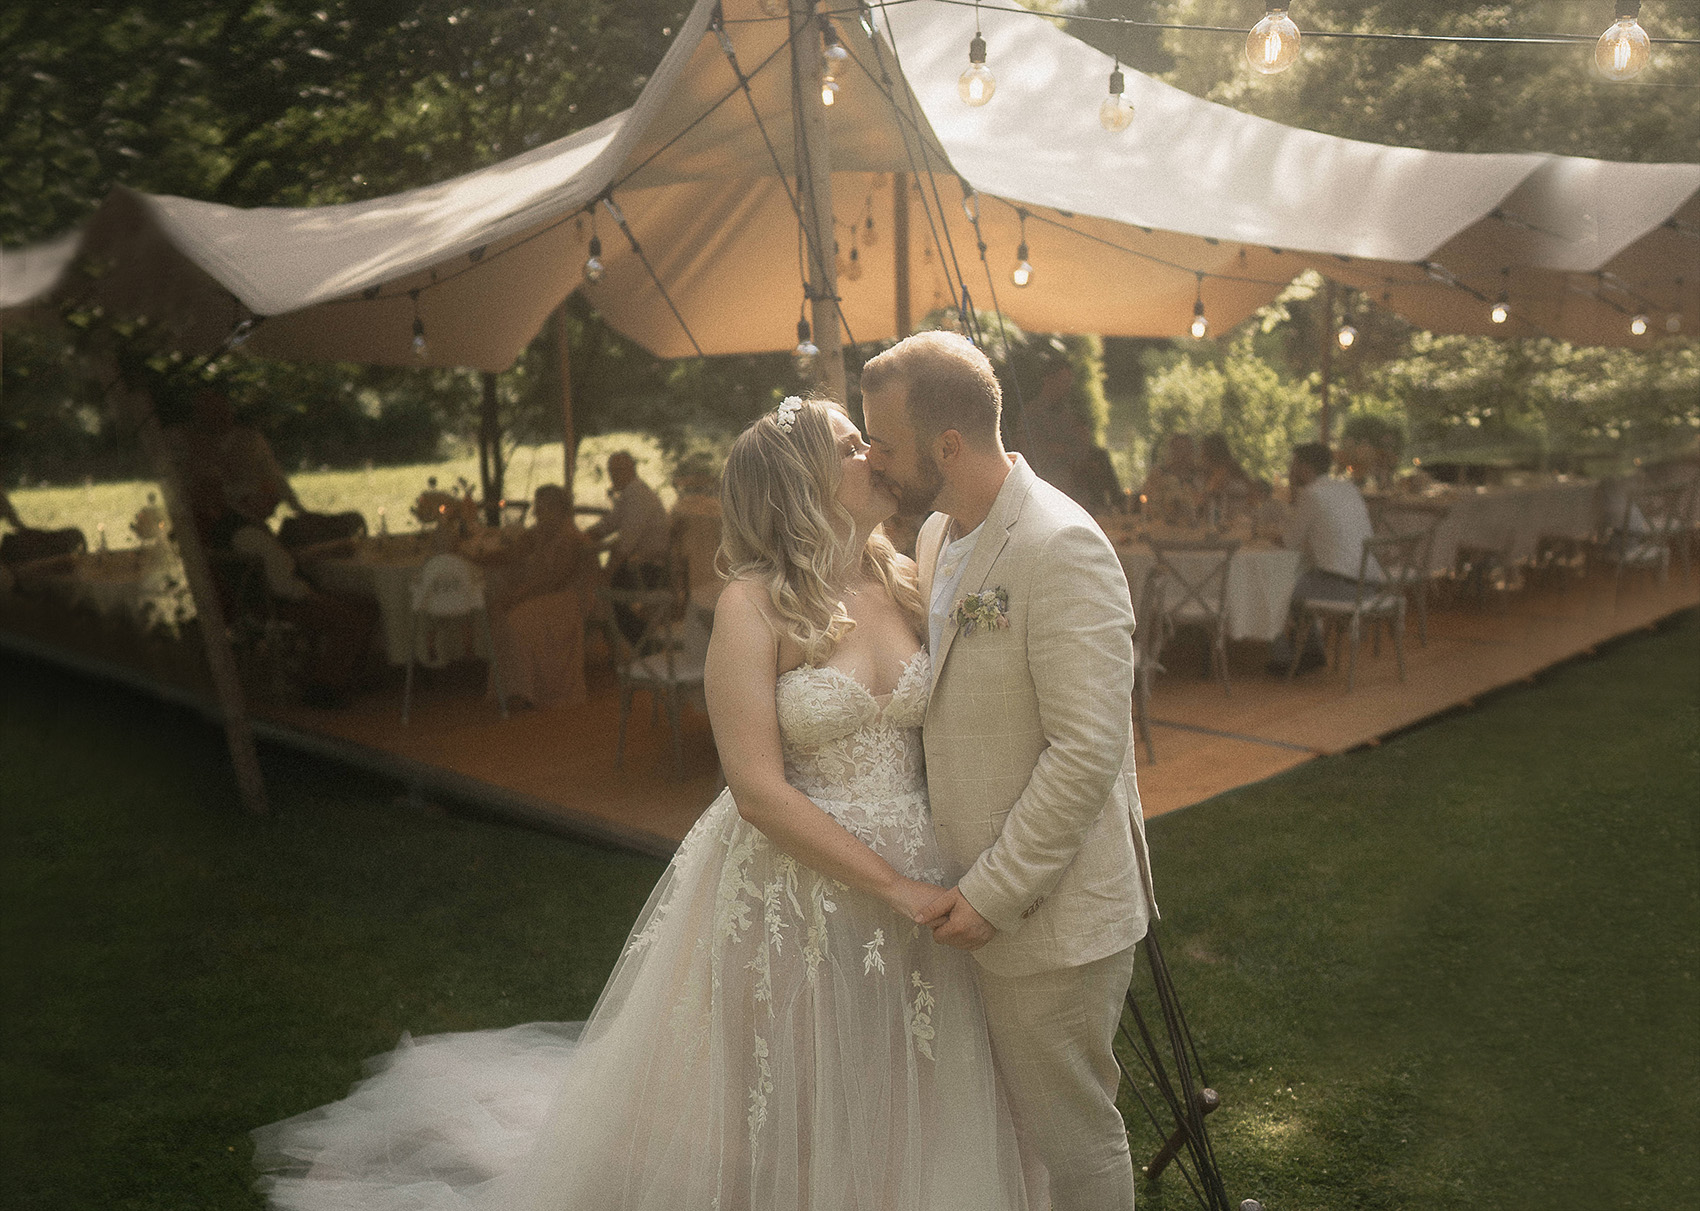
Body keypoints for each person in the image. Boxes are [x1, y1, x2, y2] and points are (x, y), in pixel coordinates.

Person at [251, 397, 1028, 1210]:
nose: (875, 452)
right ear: (801, 480)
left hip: (928, 880)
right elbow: (757, 791)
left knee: (913, 1078)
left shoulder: (905, 575)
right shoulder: (751, 604)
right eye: (849, 444)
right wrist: (893, 885)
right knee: (801, 1098)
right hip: (803, 894)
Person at [861, 331, 1160, 1211]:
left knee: (1075, 1144)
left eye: (885, 440)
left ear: (947, 447)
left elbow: (1086, 753)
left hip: (1051, 913)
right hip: (969, 902)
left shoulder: (1061, 545)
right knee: (1015, 1137)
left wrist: (991, 892)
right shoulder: (934, 529)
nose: (875, 457)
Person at [1268, 440, 1380, 673]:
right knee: (1303, 580)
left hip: (1345, 587)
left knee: (1276, 588)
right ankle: (1312, 651)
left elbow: (1289, 541)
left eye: (1293, 464)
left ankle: (1284, 658)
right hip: (1370, 583)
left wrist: (1266, 535)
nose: (1290, 470)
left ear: (1304, 468)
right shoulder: (1347, 488)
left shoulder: (1311, 494)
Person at [485, 485, 594, 709]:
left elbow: (554, 582)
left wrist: (519, 596)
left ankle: (531, 691)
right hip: (542, 594)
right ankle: (514, 689)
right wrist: (473, 556)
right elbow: (511, 554)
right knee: (500, 609)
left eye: (541, 508)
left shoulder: (570, 539)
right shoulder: (540, 532)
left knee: (519, 620)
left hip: (565, 600)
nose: (535, 513)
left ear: (556, 509)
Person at [585, 450, 671, 641]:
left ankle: (636, 647)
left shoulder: (638, 496)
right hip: (638, 566)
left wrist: (605, 575)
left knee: (602, 590)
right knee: (595, 580)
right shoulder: (629, 495)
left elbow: (625, 545)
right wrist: (580, 538)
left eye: (618, 470)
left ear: (631, 470)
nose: (613, 475)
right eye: (611, 471)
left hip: (648, 570)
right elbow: (606, 526)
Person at [1139, 432, 1203, 525]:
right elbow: (1147, 504)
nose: (1182, 454)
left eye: (1187, 450)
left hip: (1195, 529)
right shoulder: (1157, 475)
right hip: (1161, 527)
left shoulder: (1200, 475)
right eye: (1178, 449)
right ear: (1170, 452)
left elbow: (1207, 505)